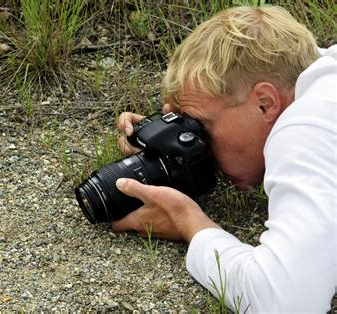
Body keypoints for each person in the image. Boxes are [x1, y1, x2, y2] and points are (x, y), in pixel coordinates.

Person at [112, 6, 336, 312]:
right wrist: (167, 138)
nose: (199, 141)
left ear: (265, 104)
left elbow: (284, 302)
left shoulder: (305, 127)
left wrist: (189, 222)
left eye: (201, 126)